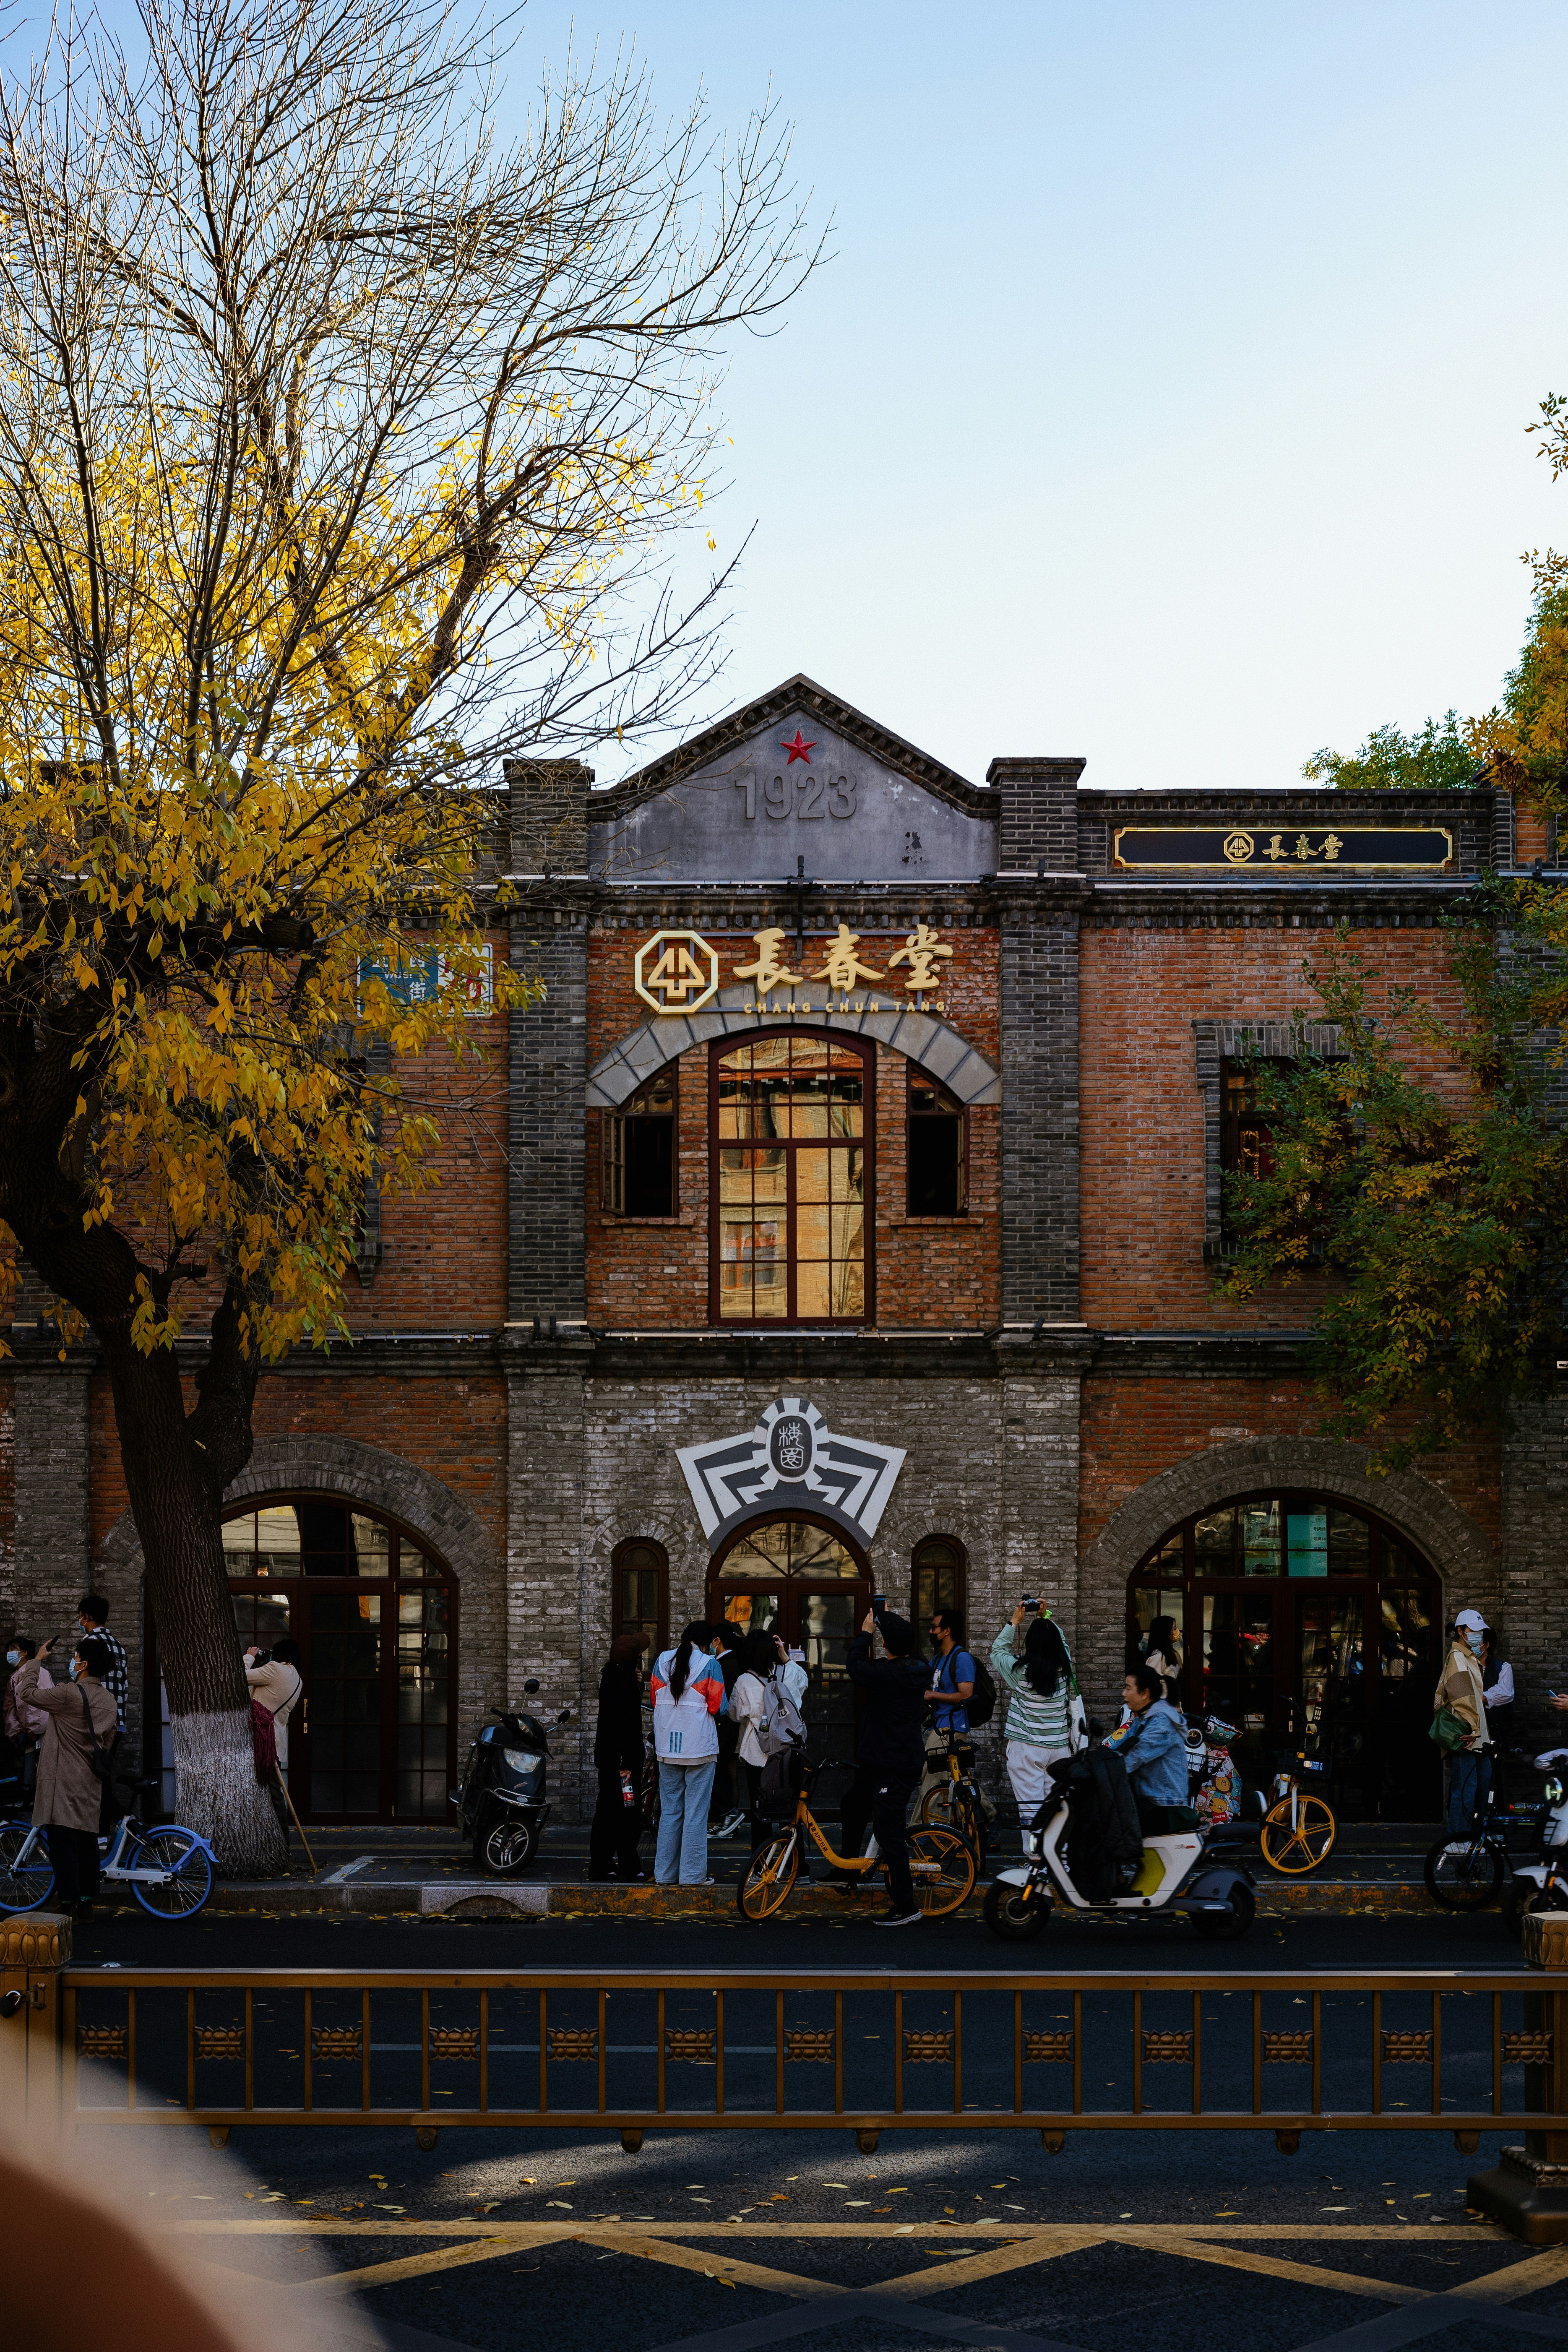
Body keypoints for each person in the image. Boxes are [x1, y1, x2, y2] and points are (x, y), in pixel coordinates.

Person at [9, 1635, 117, 1913]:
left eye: (76, 1655)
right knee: (86, 1841)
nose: (73, 1661)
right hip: (90, 1780)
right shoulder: (108, 1699)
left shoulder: (68, 1693)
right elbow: (108, 1740)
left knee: (63, 1842)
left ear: (83, 1664)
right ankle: (86, 1904)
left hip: (63, 1779)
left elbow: (27, 1693)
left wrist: (37, 1660)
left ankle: (68, 1902)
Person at [842, 1605, 929, 1927]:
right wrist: (888, 1622)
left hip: (894, 1764)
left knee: (888, 1832)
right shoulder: (918, 1667)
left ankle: (906, 1905)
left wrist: (867, 1630)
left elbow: (854, 1665)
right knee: (852, 1803)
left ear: (885, 1645)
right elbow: (898, 1650)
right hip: (886, 1760)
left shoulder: (888, 1674)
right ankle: (846, 1870)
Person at [990, 1607, 1078, 1843]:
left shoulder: (1019, 1672)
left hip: (1026, 1749)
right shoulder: (1066, 1670)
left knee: (1031, 1811)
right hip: (1059, 1749)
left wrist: (1014, 1622)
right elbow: (1064, 1644)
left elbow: (998, 1650)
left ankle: (1036, 1861)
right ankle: (1059, 1861)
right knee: (1057, 1808)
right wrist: (1045, 1616)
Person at [650, 1622, 725, 1886]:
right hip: (700, 1747)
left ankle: (665, 1875)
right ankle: (692, 1876)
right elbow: (718, 1706)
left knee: (670, 1812)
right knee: (696, 1813)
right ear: (707, 1643)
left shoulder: (662, 1660)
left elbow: (654, 1700)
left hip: (667, 1747)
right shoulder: (710, 1664)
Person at [730, 1629, 809, 1842]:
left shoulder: (744, 1681)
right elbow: (804, 1682)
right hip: (788, 1751)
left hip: (757, 1752)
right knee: (790, 1811)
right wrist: (786, 1657)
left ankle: (760, 1867)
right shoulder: (788, 1673)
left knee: (760, 1810)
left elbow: (736, 1715)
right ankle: (797, 1868)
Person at [588, 1631, 649, 1881]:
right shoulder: (621, 1682)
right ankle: (628, 1866)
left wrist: (639, 1685)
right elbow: (622, 1725)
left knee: (609, 1812)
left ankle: (603, 1864)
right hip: (622, 1764)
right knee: (627, 1813)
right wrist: (626, 1763)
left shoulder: (613, 1676)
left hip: (612, 1760)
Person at [1105, 1662, 1190, 1829]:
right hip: (1150, 1802)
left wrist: (1104, 1770)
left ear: (1145, 1693)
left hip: (1165, 1807)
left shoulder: (1162, 1723)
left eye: (1128, 1688)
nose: (1124, 1694)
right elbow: (1121, 1747)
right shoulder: (1143, 1719)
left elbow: (1136, 1756)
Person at [1438, 1608, 1493, 1839]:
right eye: (1474, 1631)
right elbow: (1461, 1697)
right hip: (1468, 1735)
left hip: (1476, 1735)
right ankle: (1458, 1838)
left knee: (1481, 1785)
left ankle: (1474, 1835)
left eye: (1481, 1631)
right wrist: (1472, 1728)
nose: (1478, 1635)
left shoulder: (1468, 1658)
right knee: (1466, 1788)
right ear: (1460, 1632)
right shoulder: (1459, 1658)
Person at [244, 1637, 302, 1833]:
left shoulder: (275, 1670)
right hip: (276, 1742)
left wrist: (249, 1658)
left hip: (262, 1742)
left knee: (270, 1792)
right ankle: (281, 1839)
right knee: (274, 1792)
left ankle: (278, 1838)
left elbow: (240, 1678)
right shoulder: (297, 1678)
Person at [706, 1617, 748, 1841]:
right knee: (729, 1773)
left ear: (717, 1641)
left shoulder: (722, 1665)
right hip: (733, 1726)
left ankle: (728, 1819)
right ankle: (730, 1821)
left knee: (722, 1773)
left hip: (723, 1726)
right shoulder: (736, 1662)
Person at [3, 1634, 52, 1795]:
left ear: (24, 1653)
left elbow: (42, 1706)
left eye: (13, 1650)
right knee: (30, 1779)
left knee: (42, 1779)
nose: (9, 1654)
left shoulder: (40, 1673)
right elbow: (10, 1710)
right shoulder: (14, 1678)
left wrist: (34, 1730)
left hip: (40, 1737)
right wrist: (17, 1733)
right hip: (27, 1737)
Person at [77, 1593, 128, 1730]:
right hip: (118, 1720)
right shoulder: (119, 1647)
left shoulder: (87, 1644)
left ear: (86, 1617)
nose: (80, 1622)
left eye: (80, 1617)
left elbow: (81, 1680)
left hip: (95, 1720)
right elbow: (125, 1686)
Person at [926, 1605, 976, 1735]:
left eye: (934, 1628)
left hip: (952, 1727)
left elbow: (966, 1696)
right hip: (937, 1726)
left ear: (947, 1631)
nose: (931, 1632)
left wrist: (932, 1695)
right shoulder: (937, 1659)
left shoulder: (962, 1659)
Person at [1479, 1625, 1514, 1747]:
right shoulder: (1465, 1667)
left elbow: (1505, 1693)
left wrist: (1478, 1698)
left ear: (1487, 1645)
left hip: (1495, 1730)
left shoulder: (1503, 1667)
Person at [1141, 1615, 1183, 1703]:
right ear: (1165, 1632)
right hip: (1163, 1707)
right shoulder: (1158, 1657)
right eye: (1174, 1629)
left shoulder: (1169, 1653)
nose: (1177, 1632)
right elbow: (1152, 1686)